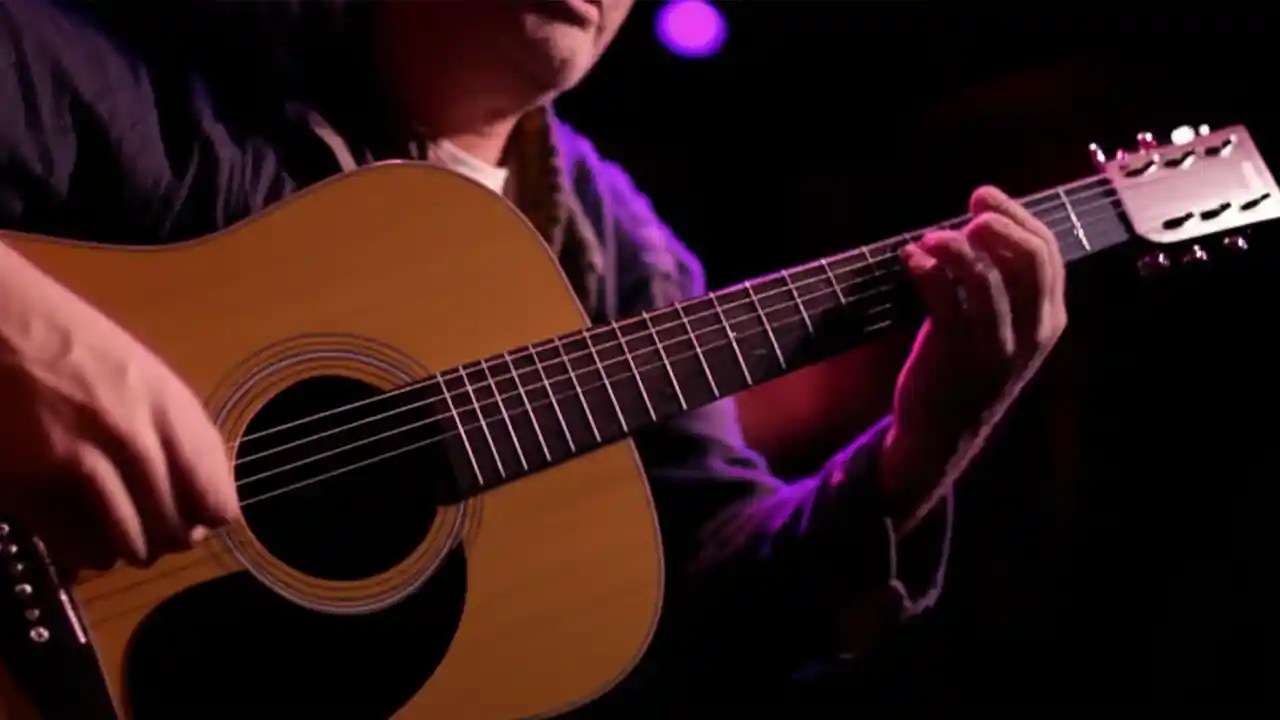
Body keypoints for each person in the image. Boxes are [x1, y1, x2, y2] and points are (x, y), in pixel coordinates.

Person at [0, 0, 1066, 713]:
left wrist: (920, 448)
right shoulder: (181, 58)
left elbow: (711, 589)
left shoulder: (621, 263)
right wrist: (23, 335)